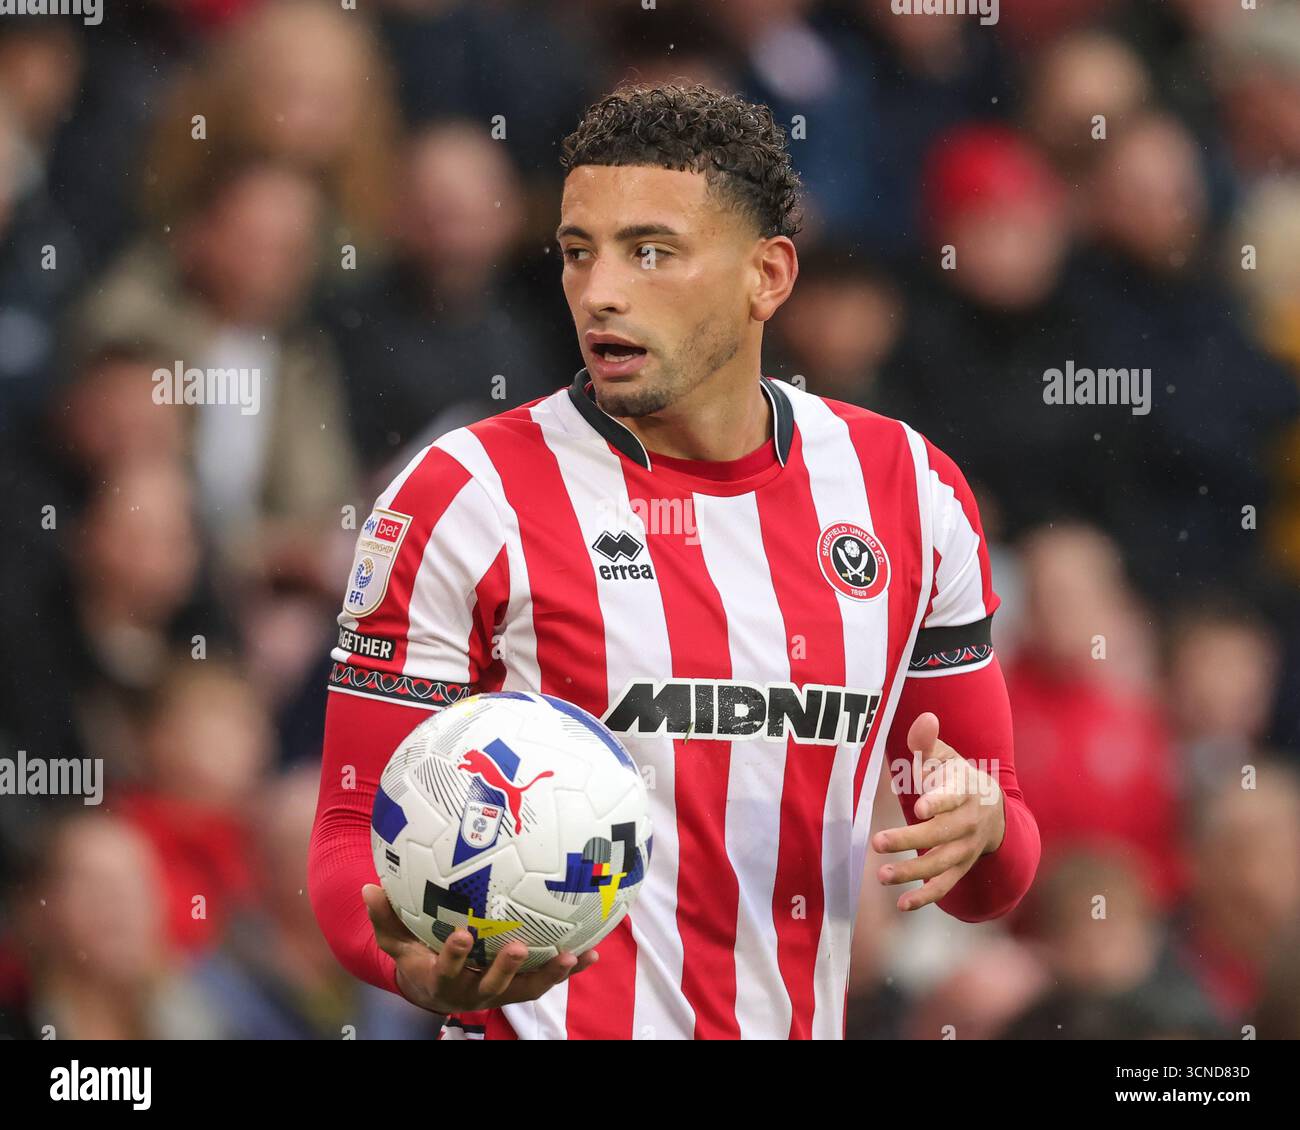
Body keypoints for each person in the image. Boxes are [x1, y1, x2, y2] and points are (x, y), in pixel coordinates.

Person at [308, 83, 1040, 1041]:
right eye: (579, 253)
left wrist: (979, 827)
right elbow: (344, 837)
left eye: (650, 252)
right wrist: (412, 969)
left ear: (767, 276)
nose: (601, 289)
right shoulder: (460, 495)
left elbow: (992, 876)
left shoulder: (909, 492)